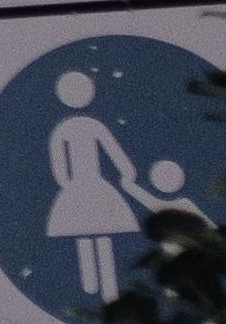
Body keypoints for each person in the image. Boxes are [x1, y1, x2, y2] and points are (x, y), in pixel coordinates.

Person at [43, 70, 150, 302]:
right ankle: (91, 286)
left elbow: (112, 150)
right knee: (83, 233)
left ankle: (108, 288)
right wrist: (67, 184)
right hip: (80, 188)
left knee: (100, 234)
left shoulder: (91, 126)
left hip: (92, 186)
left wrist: (126, 169)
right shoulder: (66, 129)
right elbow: (59, 161)